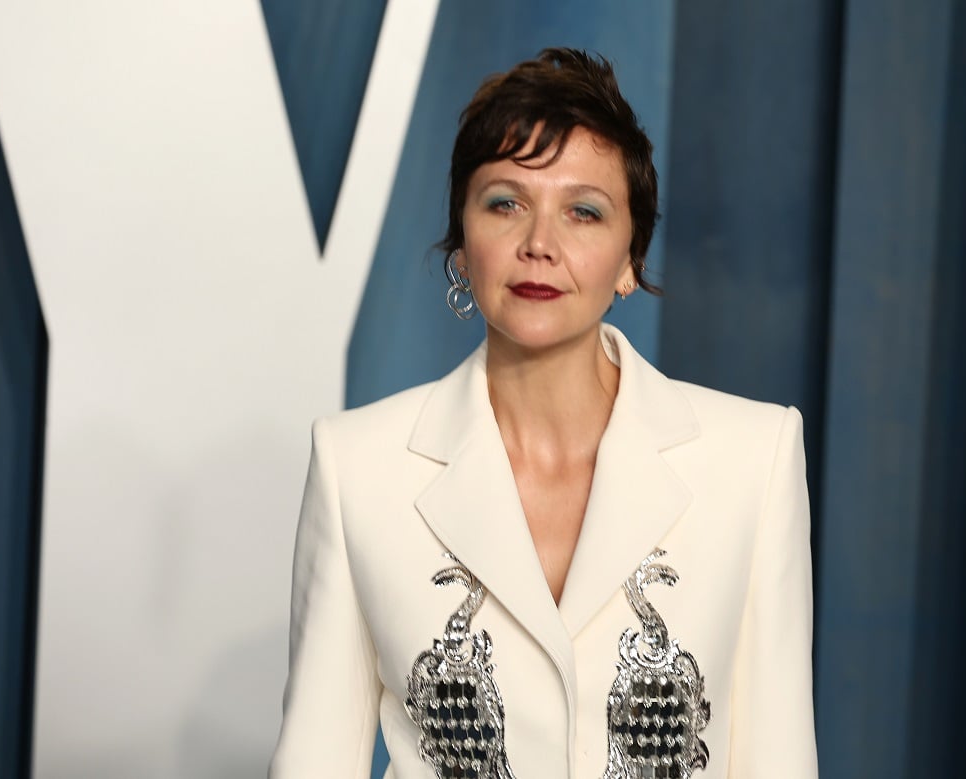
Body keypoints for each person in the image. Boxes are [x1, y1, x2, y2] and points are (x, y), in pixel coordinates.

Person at [269, 48, 816, 779]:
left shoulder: (754, 459)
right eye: (506, 203)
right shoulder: (358, 468)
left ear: (630, 259)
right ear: (462, 246)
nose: (539, 245)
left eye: (583, 212)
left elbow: (779, 760)